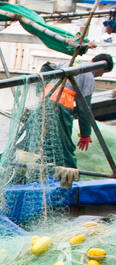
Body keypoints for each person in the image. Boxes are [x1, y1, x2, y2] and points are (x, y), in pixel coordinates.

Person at [44, 52, 112, 187]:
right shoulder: (88, 74)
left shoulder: (73, 63)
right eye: (102, 73)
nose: (100, 76)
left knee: (47, 140)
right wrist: (85, 134)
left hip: (45, 98)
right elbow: (84, 109)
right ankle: (68, 183)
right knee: (65, 145)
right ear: (101, 67)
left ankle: (46, 175)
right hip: (60, 104)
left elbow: (47, 66)